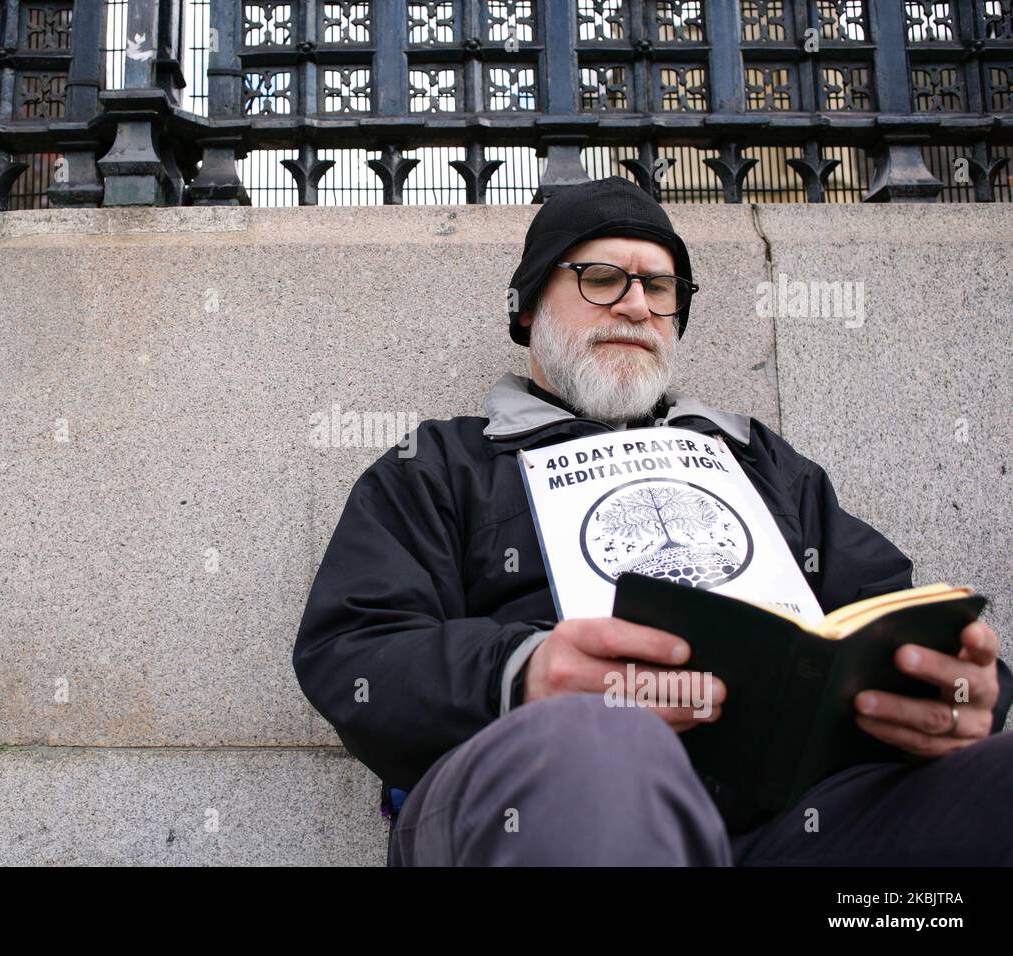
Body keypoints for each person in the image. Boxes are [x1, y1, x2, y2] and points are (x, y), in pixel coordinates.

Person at [292, 176, 1013, 866]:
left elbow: (892, 614)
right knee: (604, 745)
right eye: (602, 278)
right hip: (547, 784)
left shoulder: (760, 461)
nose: (636, 306)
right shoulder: (442, 465)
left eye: (659, 287)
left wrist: (961, 692)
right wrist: (524, 673)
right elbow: (353, 651)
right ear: (527, 308)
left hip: (801, 815)